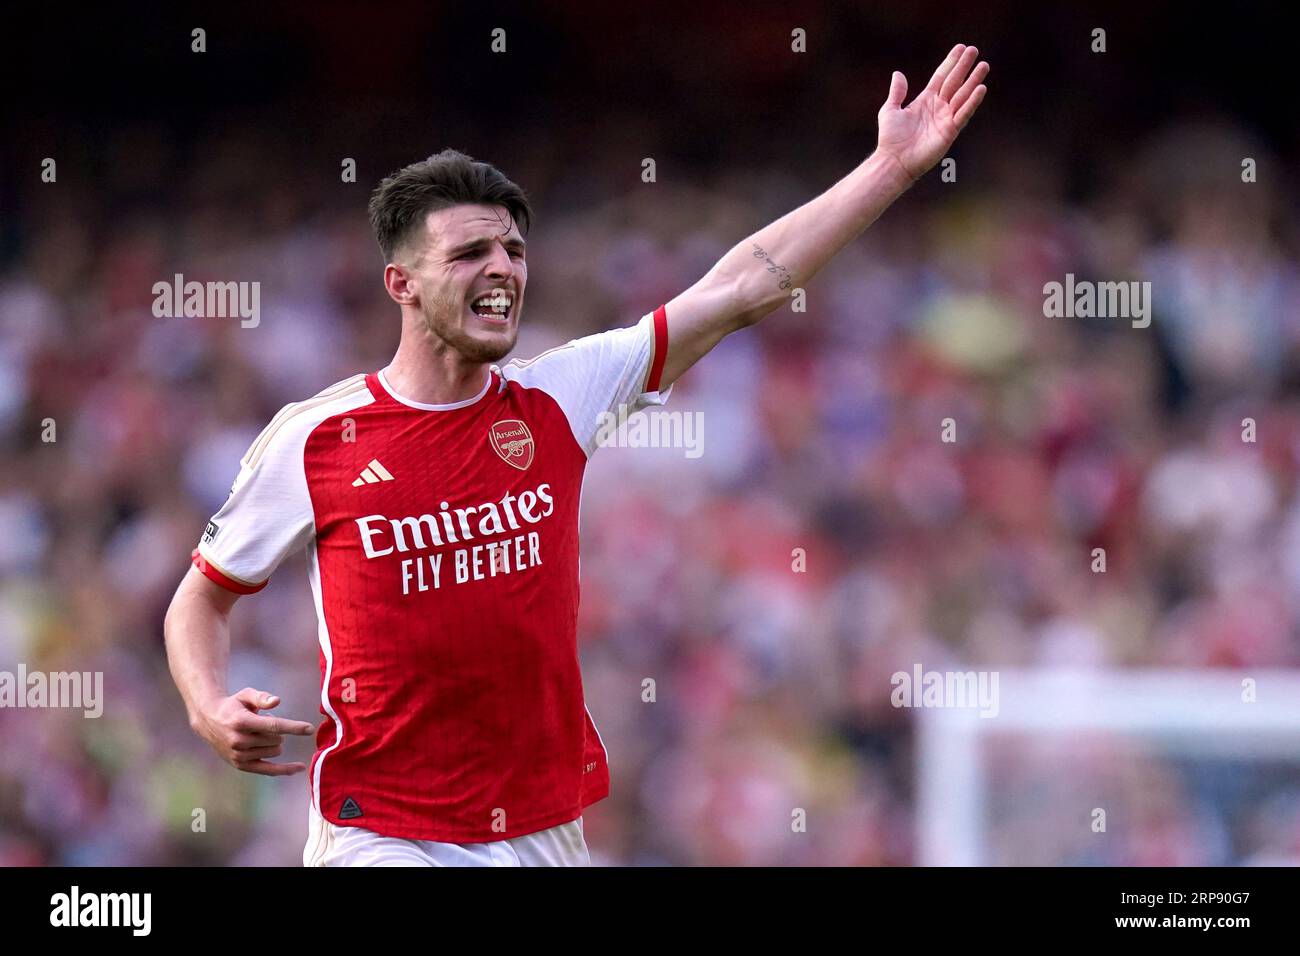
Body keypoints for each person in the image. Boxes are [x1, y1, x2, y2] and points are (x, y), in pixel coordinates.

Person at [163, 44, 989, 866]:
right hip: (382, 829)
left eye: (514, 252)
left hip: (542, 826)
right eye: (469, 255)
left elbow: (741, 289)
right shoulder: (316, 439)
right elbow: (199, 600)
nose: (502, 270)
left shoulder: (560, 394)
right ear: (401, 284)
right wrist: (206, 702)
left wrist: (887, 170)